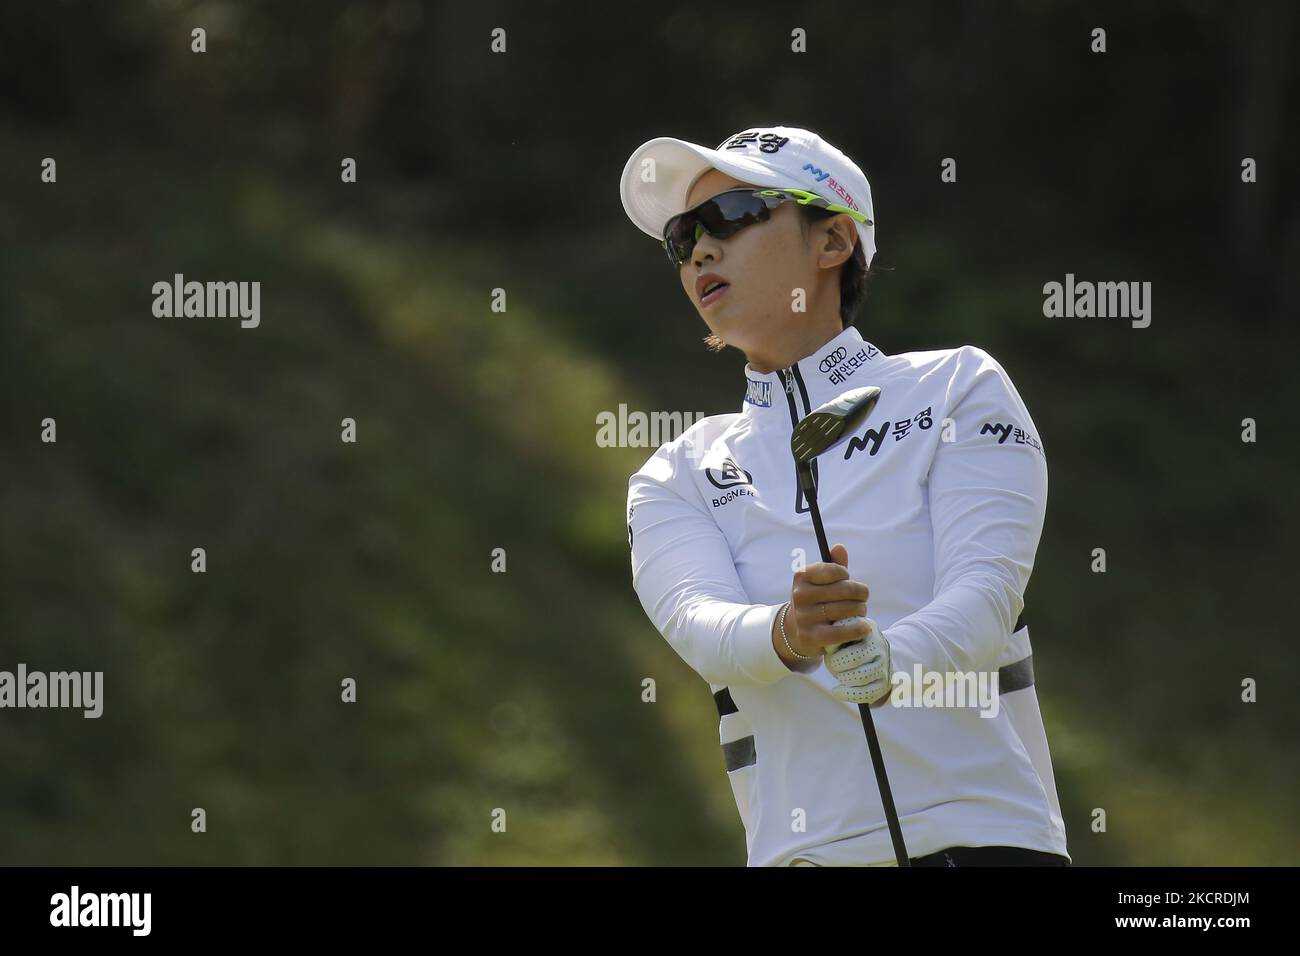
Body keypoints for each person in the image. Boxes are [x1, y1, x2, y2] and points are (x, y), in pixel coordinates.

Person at [619, 125, 1070, 867]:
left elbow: (986, 597)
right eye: (681, 237)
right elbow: (701, 628)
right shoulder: (676, 474)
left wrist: (891, 659)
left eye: (731, 215)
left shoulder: (959, 386)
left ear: (832, 243)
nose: (701, 249)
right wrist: (787, 634)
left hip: (989, 843)